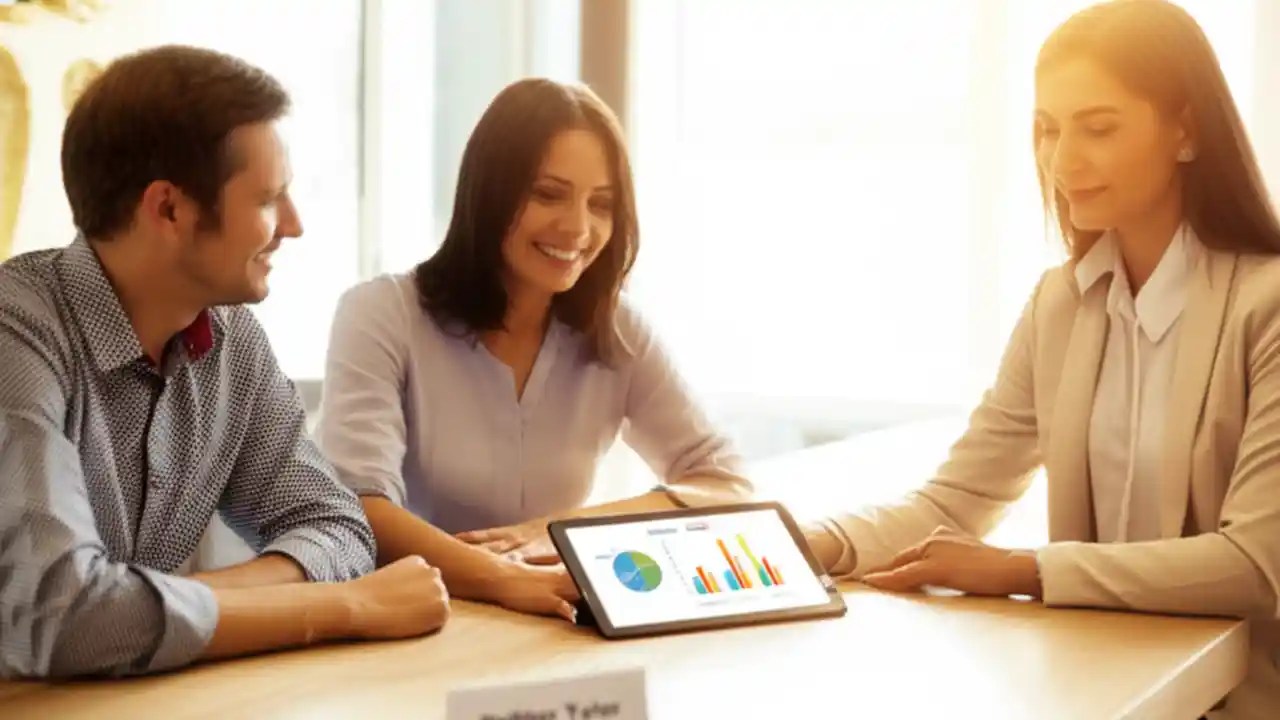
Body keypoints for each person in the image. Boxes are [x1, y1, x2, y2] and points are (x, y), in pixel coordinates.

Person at [802, 2, 1280, 717]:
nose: (1062, 160)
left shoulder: (1265, 306)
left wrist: (1019, 572)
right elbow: (954, 502)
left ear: (1185, 129)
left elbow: (1255, 565)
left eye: (1099, 127)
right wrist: (812, 544)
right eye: (1049, 129)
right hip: (1104, 692)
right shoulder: (1060, 305)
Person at [0, 45, 448, 679]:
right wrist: (342, 607)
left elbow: (338, 525)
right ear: (169, 209)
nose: (292, 225)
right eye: (269, 199)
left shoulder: (231, 337)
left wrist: (150, 599)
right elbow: (65, 619)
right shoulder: (15, 337)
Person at [316, 78, 752, 621]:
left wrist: (560, 531)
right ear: (490, 191)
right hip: (413, 621)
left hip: (550, 622)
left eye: (601, 204)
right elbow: (357, 506)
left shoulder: (618, 332)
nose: (578, 228)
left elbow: (727, 484)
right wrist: (503, 578)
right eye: (548, 194)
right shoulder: (381, 313)